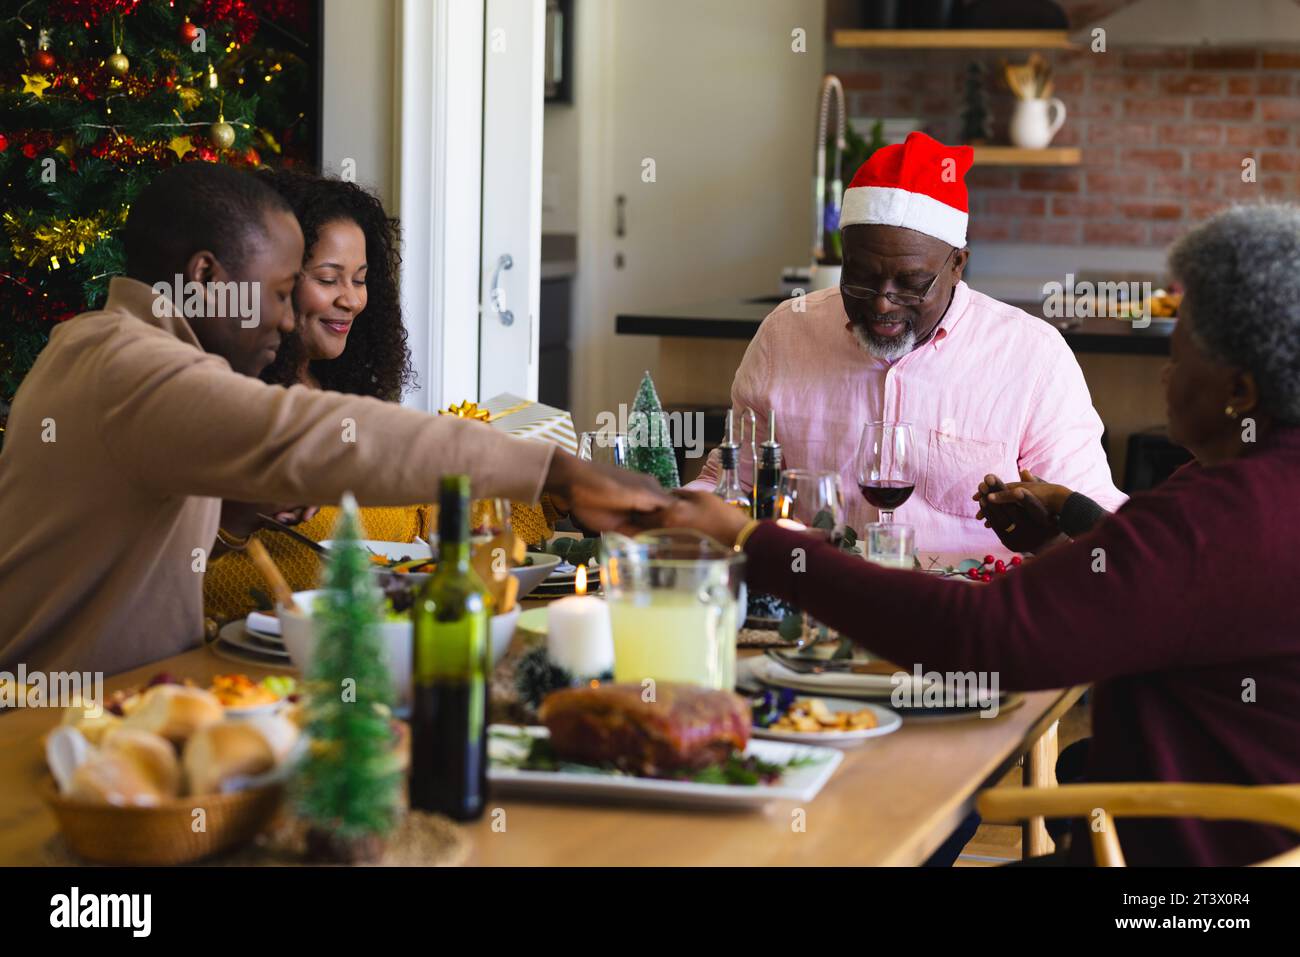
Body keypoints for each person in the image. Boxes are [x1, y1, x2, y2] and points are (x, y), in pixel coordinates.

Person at [664, 205, 1300, 866]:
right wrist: (1074, 516)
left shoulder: (1218, 515)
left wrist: (757, 543)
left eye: (1178, 354)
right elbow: (1167, 578)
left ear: (1241, 390)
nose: (1165, 376)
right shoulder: (1248, 495)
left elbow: (977, 637)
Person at [0, 162, 670, 676]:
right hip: (46, 728)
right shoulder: (130, 366)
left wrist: (235, 510)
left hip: (141, 698)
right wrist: (558, 469)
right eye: (283, 292)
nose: (291, 319)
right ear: (205, 276)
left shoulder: (111, 349)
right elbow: (310, 434)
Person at [687, 132, 1124, 552]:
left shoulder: (1032, 358)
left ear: (958, 265)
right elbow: (734, 485)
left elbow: (1098, 525)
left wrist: (1047, 538)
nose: (881, 304)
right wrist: (672, 511)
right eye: (860, 278)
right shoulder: (786, 334)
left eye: (912, 284)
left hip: (972, 610)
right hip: (820, 603)